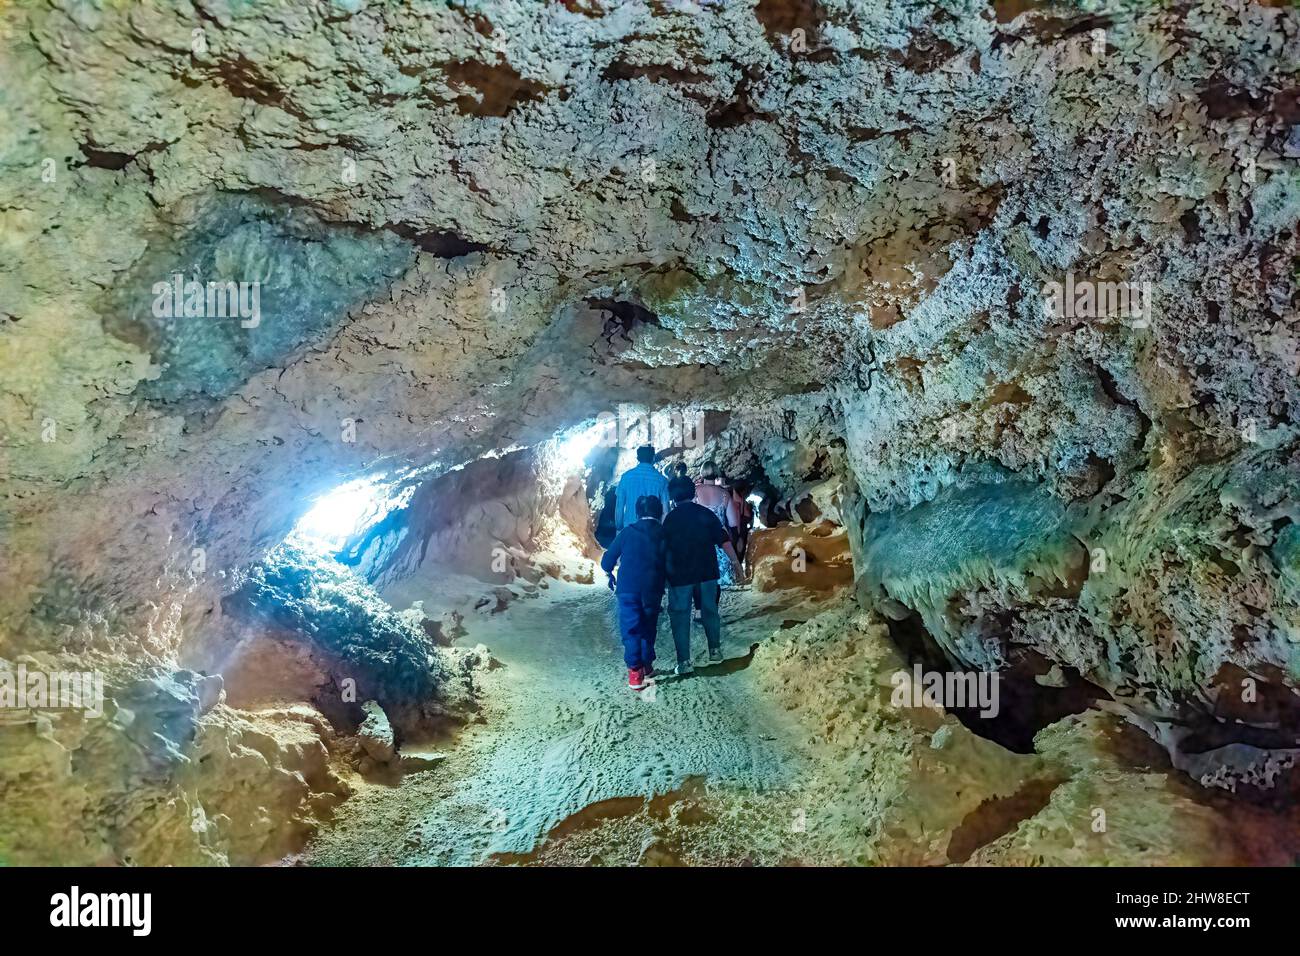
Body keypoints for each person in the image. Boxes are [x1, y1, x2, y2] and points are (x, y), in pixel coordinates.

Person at [661, 475, 741, 674]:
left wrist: (660, 576)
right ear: (693, 492)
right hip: (706, 570)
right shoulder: (704, 514)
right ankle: (715, 651)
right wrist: (736, 563)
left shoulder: (670, 519)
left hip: (679, 573)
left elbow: (662, 549)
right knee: (709, 610)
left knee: (680, 614)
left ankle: (684, 662)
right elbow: (723, 539)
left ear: (672, 498)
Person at [600, 495, 666, 690]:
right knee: (648, 626)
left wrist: (609, 572)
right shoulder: (663, 533)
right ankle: (646, 665)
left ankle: (635, 672)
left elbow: (607, 561)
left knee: (631, 629)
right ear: (660, 512)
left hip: (628, 588)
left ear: (637, 513)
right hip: (653, 588)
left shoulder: (627, 532)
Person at [694, 460, 741, 584]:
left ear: (702, 473)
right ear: (716, 473)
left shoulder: (695, 491)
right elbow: (733, 523)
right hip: (720, 536)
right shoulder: (725, 494)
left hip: (699, 537)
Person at [614, 444, 670, 532]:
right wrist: (661, 531)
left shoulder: (626, 477)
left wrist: (619, 525)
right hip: (652, 531)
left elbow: (619, 505)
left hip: (630, 529)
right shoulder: (661, 480)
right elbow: (666, 510)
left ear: (637, 458)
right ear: (653, 458)